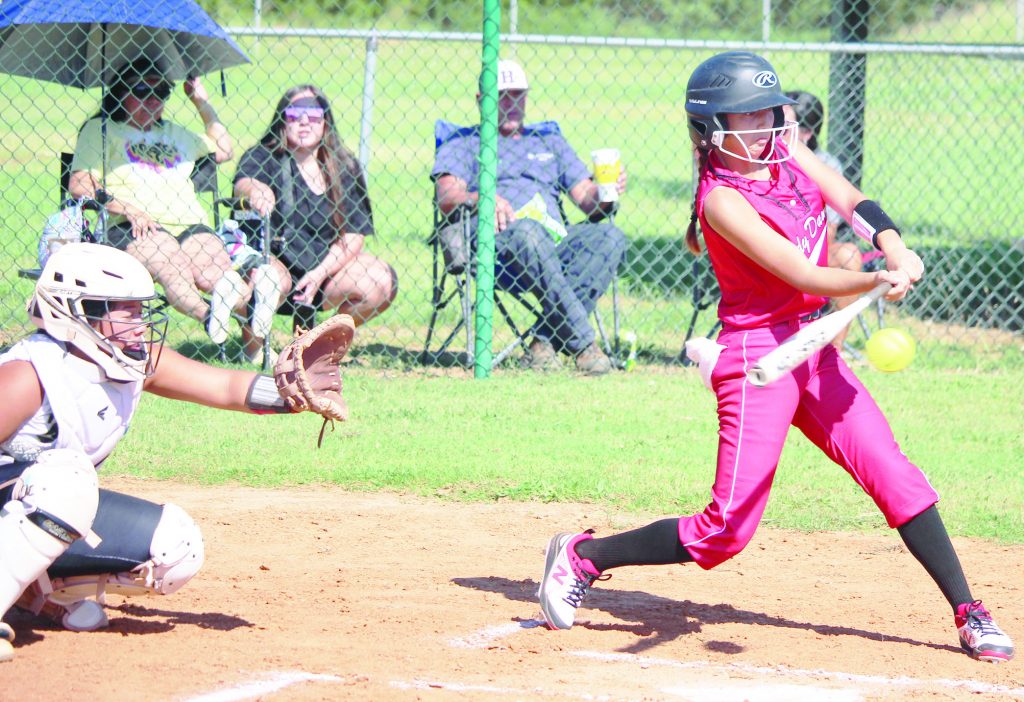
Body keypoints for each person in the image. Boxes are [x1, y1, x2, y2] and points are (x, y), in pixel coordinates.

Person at [536, 51, 1014, 664]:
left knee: (893, 473)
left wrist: (892, 244)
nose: (767, 126)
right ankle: (582, 555)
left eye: (769, 112)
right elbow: (801, 270)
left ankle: (968, 610)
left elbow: (849, 200)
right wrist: (877, 279)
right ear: (712, 132)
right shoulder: (720, 202)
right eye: (749, 118)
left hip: (812, 350)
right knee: (724, 532)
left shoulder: (786, 150)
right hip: (759, 355)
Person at [0, 242, 351, 662]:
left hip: (43, 508)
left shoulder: (135, 362)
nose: (139, 321)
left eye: (139, 307)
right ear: (78, 311)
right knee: (66, 482)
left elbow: (223, 387)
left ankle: (33, 591)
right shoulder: (29, 374)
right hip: (24, 503)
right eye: (124, 309)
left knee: (176, 548)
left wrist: (290, 395)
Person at [432, 59, 628, 376]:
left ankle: (543, 340)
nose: (511, 103)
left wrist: (608, 190)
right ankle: (583, 345)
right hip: (497, 251)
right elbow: (446, 196)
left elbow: (587, 202)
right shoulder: (464, 143)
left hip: (555, 246)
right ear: (481, 101)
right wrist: (480, 197)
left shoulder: (549, 141)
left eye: (517, 94)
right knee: (528, 232)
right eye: (501, 95)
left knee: (610, 236)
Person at [68, 55, 279, 347]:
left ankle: (254, 302)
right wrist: (126, 208)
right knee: (169, 258)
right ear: (120, 92)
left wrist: (200, 101)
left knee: (213, 271)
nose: (153, 99)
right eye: (142, 90)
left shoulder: (176, 134)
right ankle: (211, 316)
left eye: (162, 91)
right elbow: (79, 184)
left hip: (190, 224)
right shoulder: (102, 131)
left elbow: (224, 148)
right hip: (135, 228)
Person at [232, 85, 398, 365]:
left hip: (325, 270)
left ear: (325, 121)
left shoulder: (343, 164)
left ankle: (319, 346)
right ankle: (254, 347)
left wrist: (320, 273)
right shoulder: (264, 155)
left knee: (379, 281)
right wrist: (255, 189)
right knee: (268, 277)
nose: (305, 121)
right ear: (283, 118)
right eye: (296, 113)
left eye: (314, 113)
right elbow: (242, 184)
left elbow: (354, 234)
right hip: (274, 265)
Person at [783, 90, 864, 350]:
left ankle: (834, 350)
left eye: (784, 125)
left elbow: (827, 232)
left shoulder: (825, 164)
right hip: (772, 249)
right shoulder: (761, 160)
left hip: (813, 249)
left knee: (849, 255)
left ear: (806, 133)